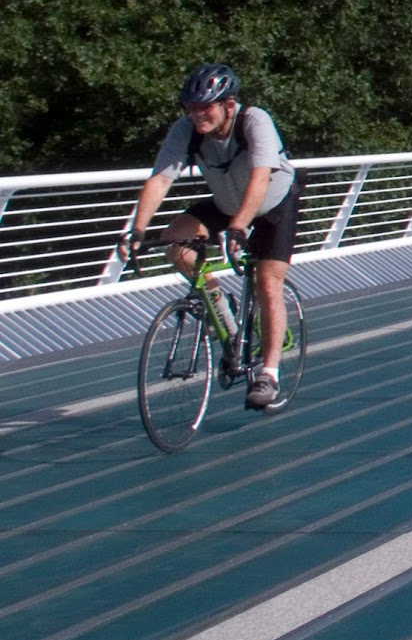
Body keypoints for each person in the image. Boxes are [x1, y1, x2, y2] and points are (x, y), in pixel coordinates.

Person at [118, 64, 301, 410]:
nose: (197, 115)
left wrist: (238, 227)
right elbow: (160, 180)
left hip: (273, 203)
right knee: (175, 243)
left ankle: (269, 375)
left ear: (228, 105)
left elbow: (260, 178)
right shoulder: (185, 130)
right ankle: (226, 316)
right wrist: (137, 231)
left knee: (267, 284)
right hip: (226, 201)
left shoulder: (254, 121)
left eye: (205, 108)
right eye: (191, 108)